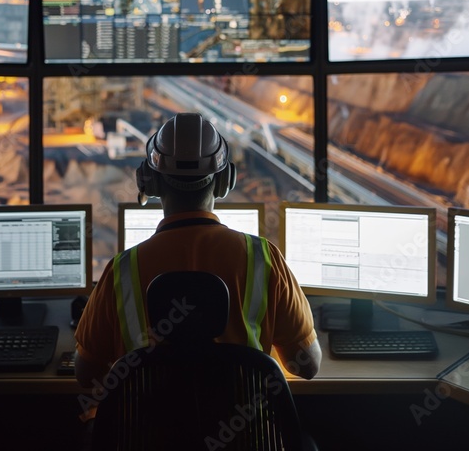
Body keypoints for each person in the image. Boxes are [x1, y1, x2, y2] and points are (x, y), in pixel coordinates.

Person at [74, 112, 321, 388]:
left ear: (150, 181)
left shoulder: (121, 270)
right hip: (243, 417)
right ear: (224, 181)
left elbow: (87, 374)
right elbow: (307, 365)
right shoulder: (264, 258)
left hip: (155, 418)